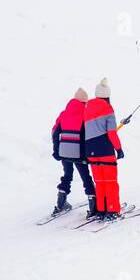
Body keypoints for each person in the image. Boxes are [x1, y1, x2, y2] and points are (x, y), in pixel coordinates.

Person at [83, 77, 125, 221]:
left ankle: (101, 209)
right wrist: (118, 149)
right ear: (107, 95)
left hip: (91, 152)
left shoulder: (87, 108)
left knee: (100, 182)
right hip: (105, 150)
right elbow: (111, 132)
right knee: (111, 181)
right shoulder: (108, 108)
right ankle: (112, 210)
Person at [51, 88, 95, 216]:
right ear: (84, 102)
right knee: (86, 177)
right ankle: (93, 205)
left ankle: (61, 202)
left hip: (64, 151)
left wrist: (56, 150)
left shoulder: (63, 113)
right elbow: (90, 134)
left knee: (67, 175)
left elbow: (55, 132)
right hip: (79, 152)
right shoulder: (86, 113)